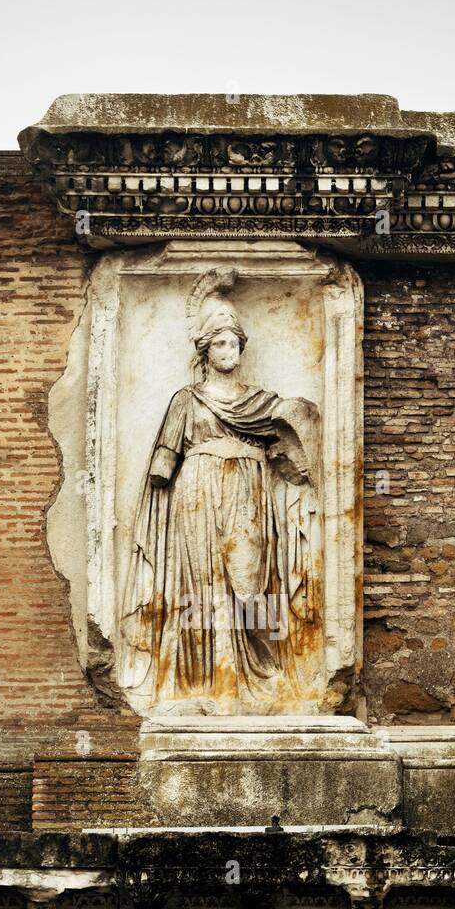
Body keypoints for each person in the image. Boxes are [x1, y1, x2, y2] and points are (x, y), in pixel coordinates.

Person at [120, 272, 320, 713]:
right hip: (197, 493)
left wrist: (300, 437)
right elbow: (162, 466)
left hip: (248, 491)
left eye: (235, 343)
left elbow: (293, 455)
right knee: (204, 586)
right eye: (220, 344)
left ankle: (259, 674)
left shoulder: (265, 403)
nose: (229, 351)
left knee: (250, 583)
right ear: (205, 351)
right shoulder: (186, 400)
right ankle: (209, 680)